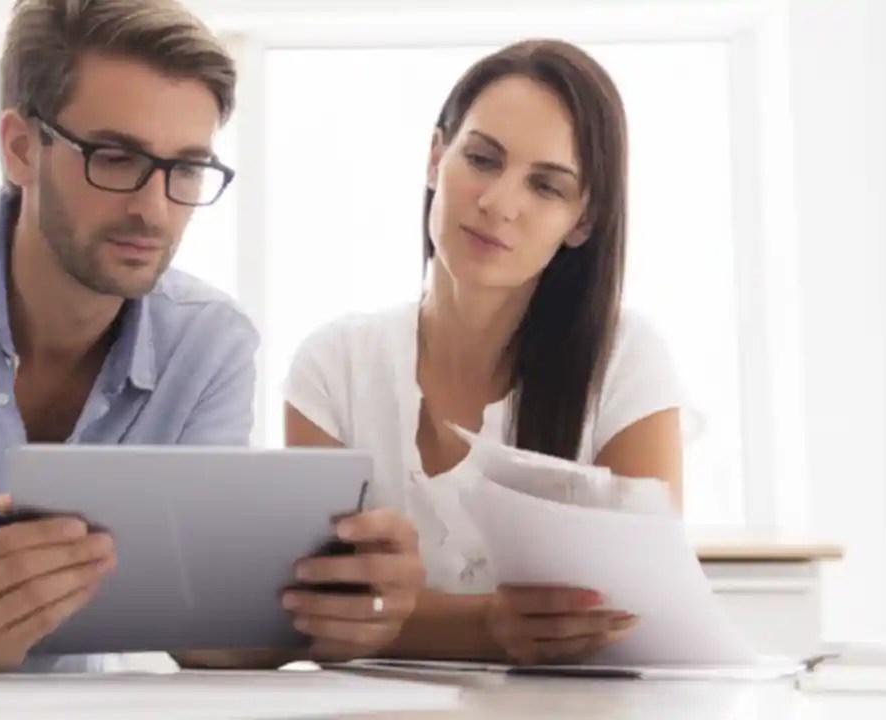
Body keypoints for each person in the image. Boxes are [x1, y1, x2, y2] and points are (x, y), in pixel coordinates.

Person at [0, 0, 423, 679]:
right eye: (116, 156)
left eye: (186, 168)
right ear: (19, 149)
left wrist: (325, 610)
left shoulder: (209, 343)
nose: (154, 210)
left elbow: (202, 634)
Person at [284, 39, 685, 665]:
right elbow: (318, 611)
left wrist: (404, 618)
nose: (499, 203)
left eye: (547, 187)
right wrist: (486, 626)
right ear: (435, 158)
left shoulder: (626, 360)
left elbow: (635, 614)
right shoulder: (333, 366)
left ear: (583, 221)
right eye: (481, 159)